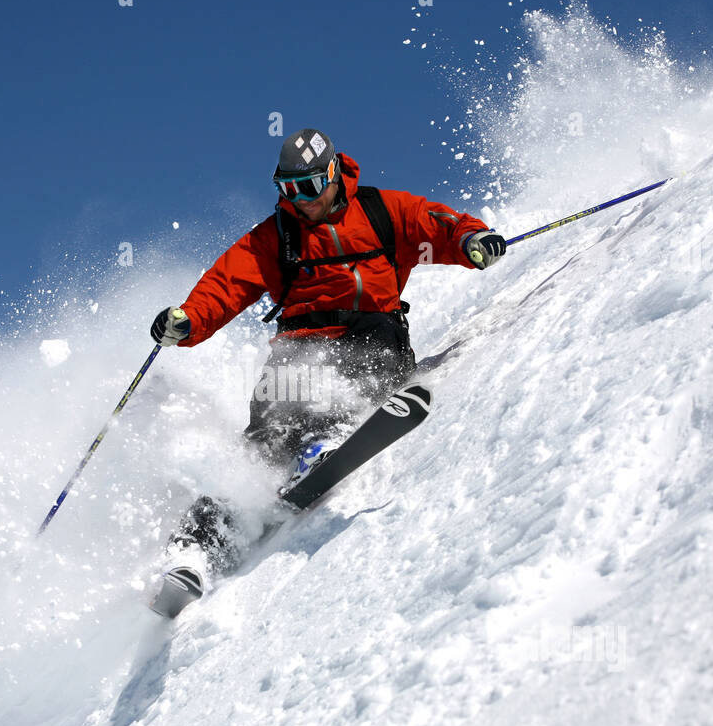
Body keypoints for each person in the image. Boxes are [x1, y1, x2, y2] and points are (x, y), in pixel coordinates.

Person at [148, 128, 507, 601]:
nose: (301, 200)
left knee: (364, 356)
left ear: (334, 174)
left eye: (310, 187)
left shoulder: (383, 211)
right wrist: (187, 321)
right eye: (288, 190)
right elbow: (224, 286)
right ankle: (194, 549)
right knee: (262, 443)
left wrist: (471, 240)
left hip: (370, 339)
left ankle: (324, 442)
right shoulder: (273, 238)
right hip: (298, 350)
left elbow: (437, 225)